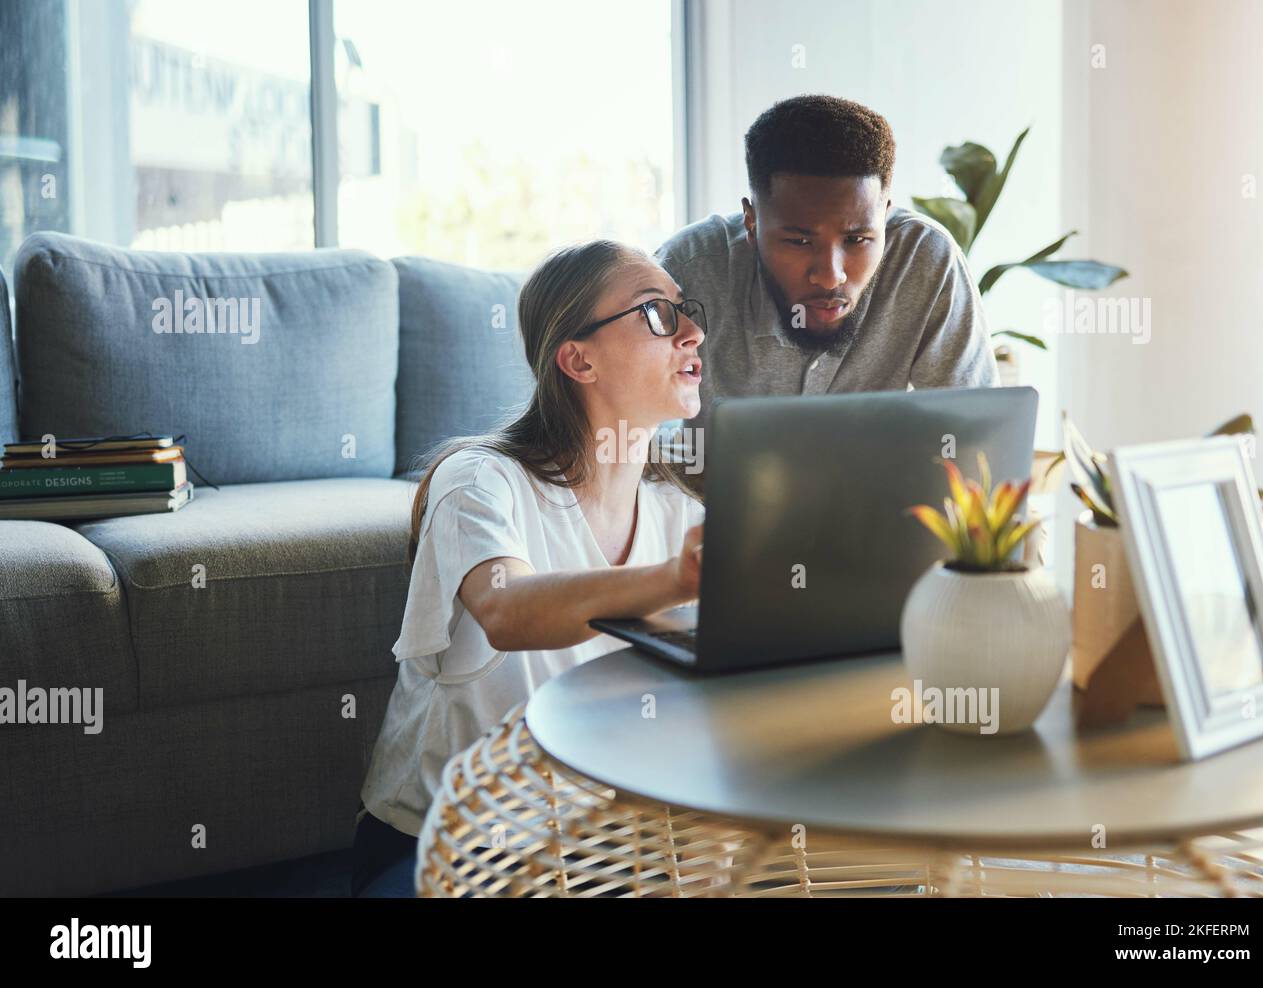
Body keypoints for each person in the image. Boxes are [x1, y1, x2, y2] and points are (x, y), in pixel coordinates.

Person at [352, 240, 708, 897]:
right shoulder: (481, 482)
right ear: (578, 358)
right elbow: (507, 610)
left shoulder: (675, 508)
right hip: (442, 851)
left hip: (598, 856)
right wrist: (674, 583)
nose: (693, 332)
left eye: (687, 311)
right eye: (657, 313)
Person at [656, 93, 999, 486]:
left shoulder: (926, 262)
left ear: (884, 219)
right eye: (800, 242)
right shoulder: (686, 275)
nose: (831, 276)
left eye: (857, 240)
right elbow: (640, 445)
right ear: (751, 222)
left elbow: (974, 441)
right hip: (706, 530)